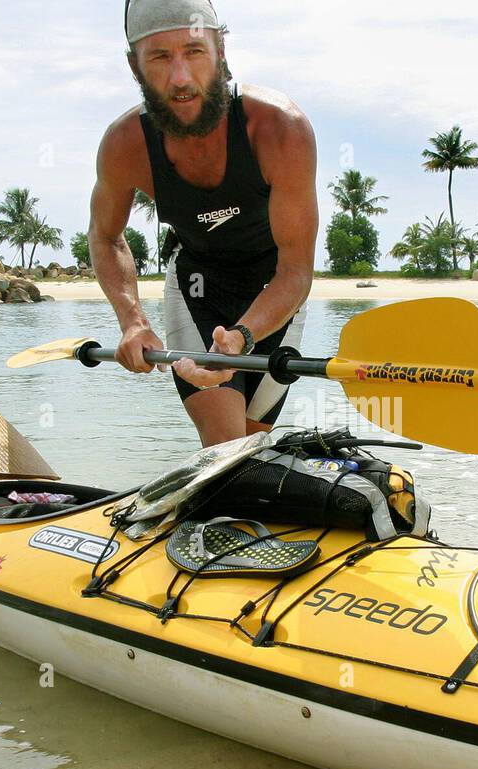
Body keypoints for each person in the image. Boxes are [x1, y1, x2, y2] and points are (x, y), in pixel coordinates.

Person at [88, 0, 318, 447]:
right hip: (197, 289)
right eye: (159, 57)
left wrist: (240, 337)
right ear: (134, 66)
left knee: (251, 449)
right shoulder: (124, 146)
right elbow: (105, 235)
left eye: (194, 51)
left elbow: (296, 271)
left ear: (221, 49)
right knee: (223, 447)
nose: (180, 78)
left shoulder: (279, 129)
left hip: (277, 296)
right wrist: (132, 322)